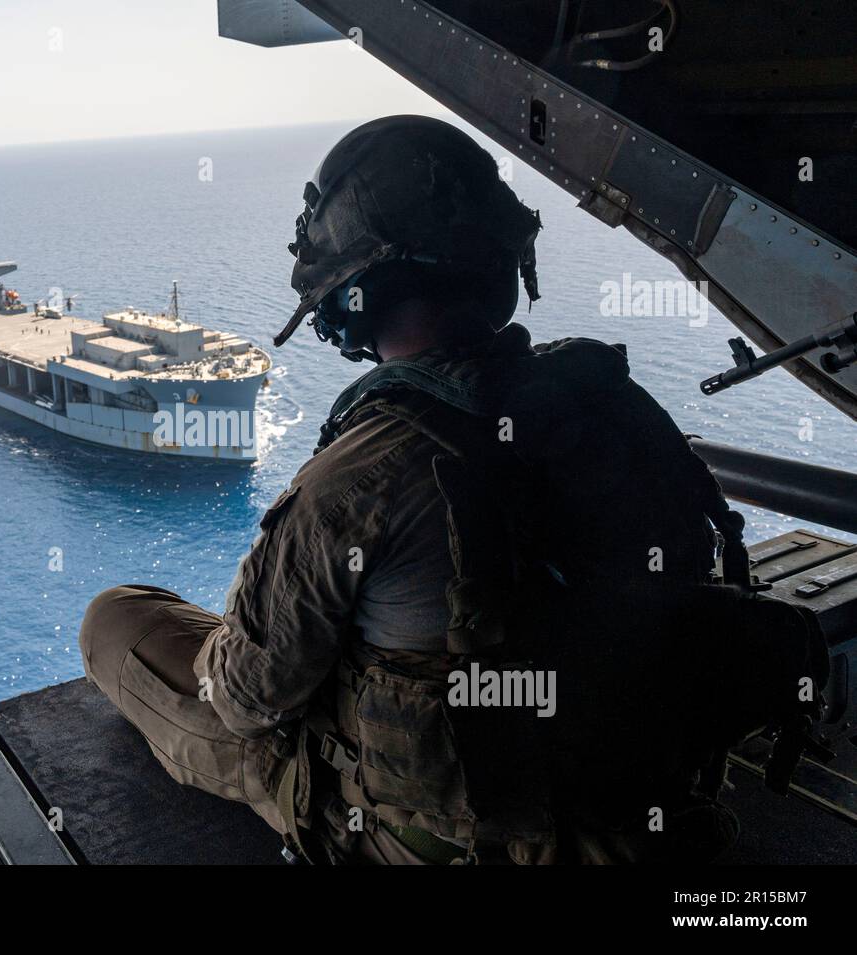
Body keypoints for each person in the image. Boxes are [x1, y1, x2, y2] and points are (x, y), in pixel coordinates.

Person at [78, 115, 822, 864]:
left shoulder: (362, 473)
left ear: (353, 291)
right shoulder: (613, 403)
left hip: (458, 840)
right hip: (631, 810)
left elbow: (245, 699)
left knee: (114, 617)